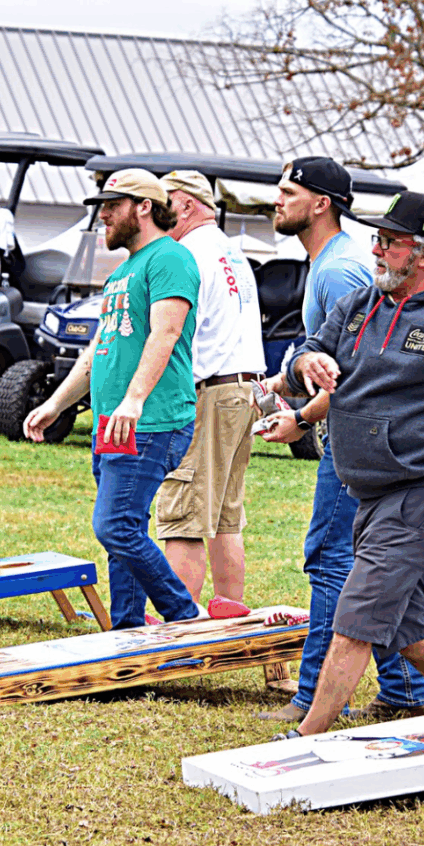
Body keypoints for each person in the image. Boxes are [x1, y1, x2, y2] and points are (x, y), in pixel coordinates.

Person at [274, 190, 424, 740]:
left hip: (422, 491)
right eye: (376, 239)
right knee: (405, 626)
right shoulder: (359, 305)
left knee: (357, 614)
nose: (377, 249)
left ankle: (307, 737)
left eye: (390, 241)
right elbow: (302, 363)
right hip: (370, 491)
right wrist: (305, 362)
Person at [257, 157, 424, 724]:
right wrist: (298, 409)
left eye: (289, 192)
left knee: (332, 559)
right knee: (377, 564)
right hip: (363, 433)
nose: (277, 201)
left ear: (321, 203)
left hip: (360, 439)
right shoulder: (331, 264)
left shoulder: (338, 271)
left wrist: (308, 419)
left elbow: (360, 365)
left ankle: (315, 695)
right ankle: (407, 690)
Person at [22, 169, 207, 629]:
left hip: (151, 420)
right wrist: (56, 404)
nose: (102, 214)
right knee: (123, 530)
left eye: (112, 205)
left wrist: (134, 399)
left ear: (144, 206)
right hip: (114, 422)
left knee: (115, 525)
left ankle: (183, 615)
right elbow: (98, 350)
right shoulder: (123, 272)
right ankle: (125, 628)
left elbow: (166, 332)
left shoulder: (171, 259)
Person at [154, 171, 265, 607]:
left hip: (209, 390)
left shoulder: (186, 255)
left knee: (183, 513)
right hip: (243, 389)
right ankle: (228, 614)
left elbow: (175, 331)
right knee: (223, 517)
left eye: (163, 204)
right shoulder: (229, 251)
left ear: (183, 205)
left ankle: (179, 630)